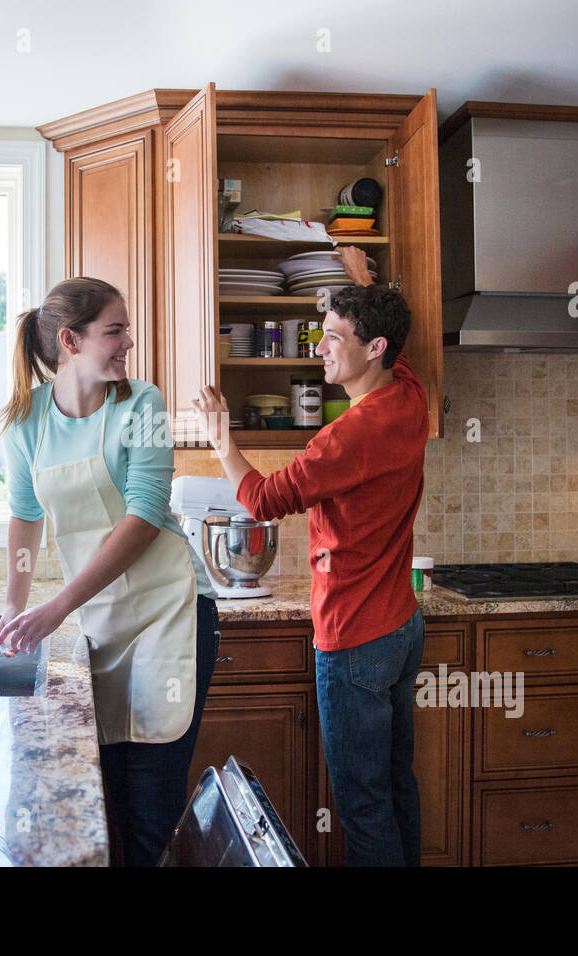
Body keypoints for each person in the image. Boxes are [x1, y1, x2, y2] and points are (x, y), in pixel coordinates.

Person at [192, 250, 428, 866]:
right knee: (396, 784)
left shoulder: (345, 436)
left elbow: (265, 501)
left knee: (362, 805)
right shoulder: (409, 397)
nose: (320, 349)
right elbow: (396, 340)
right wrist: (364, 285)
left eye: (334, 338)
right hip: (401, 628)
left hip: (354, 639)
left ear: (372, 348)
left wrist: (223, 441)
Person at [0, 276, 220, 867]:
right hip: (101, 622)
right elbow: (23, 517)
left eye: (126, 329)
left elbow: (146, 514)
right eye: (115, 330)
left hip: (169, 615)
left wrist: (58, 605)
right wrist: (14, 606)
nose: (128, 342)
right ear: (71, 341)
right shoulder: (27, 421)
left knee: (150, 812)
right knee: (105, 804)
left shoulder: (141, 403)